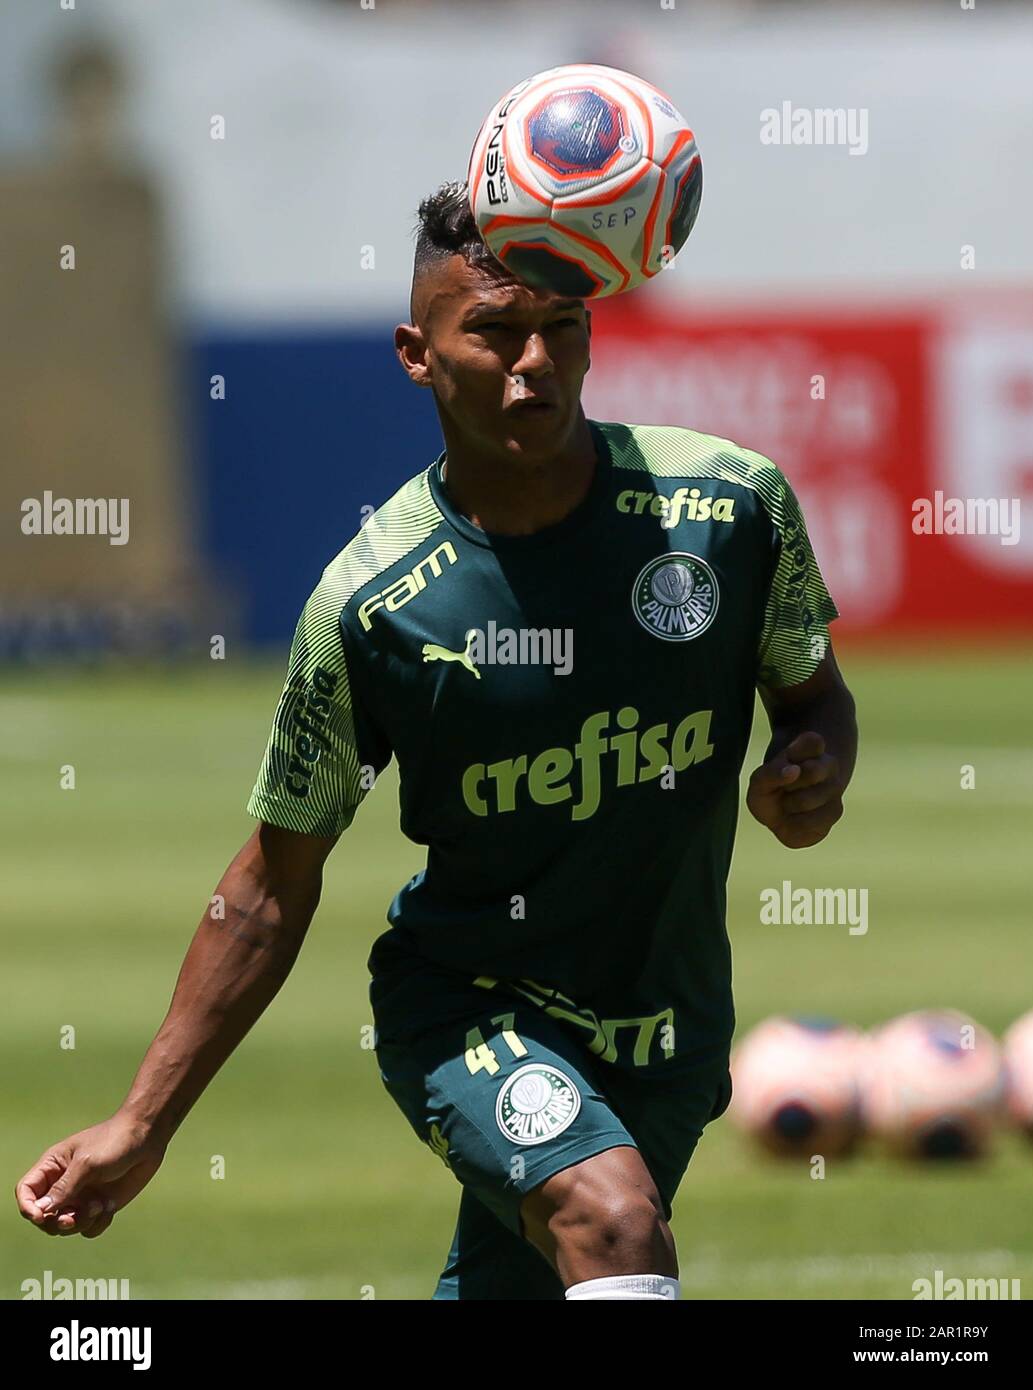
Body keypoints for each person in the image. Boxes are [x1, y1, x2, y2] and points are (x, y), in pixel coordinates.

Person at [15, 180, 857, 1301]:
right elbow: (273, 884)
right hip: (469, 1008)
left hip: (673, 1028)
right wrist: (144, 1120)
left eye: (561, 330)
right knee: (611, 1222)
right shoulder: (371, 609)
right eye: (496, 333)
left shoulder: (730, 509)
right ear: (418, 353)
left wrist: (811, 769)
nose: (534, 364)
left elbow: (814, 699)